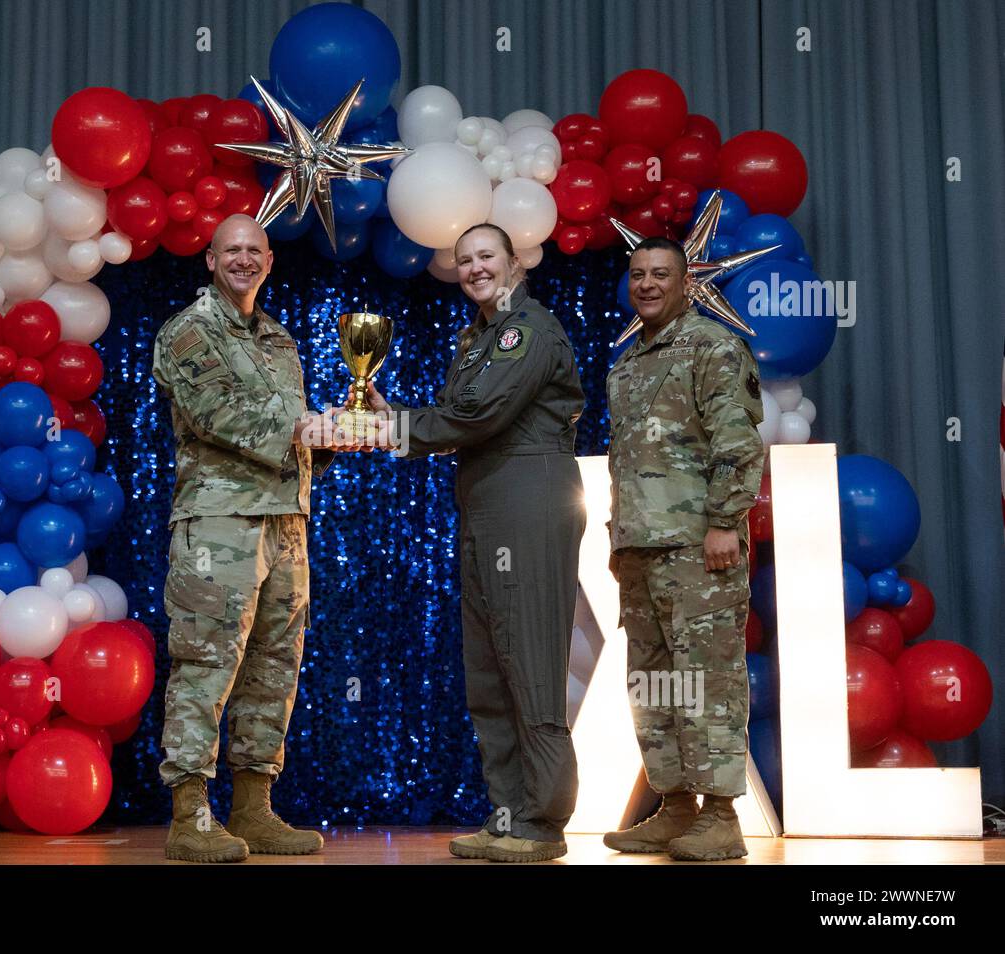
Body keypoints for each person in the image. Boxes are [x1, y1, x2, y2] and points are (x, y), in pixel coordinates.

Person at [357, 223, 586, 862]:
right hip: (486, 502)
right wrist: (392, 417)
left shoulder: (525, 331)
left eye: (487, 256)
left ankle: (543, 823)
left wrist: (392, 428)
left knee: (531, 663)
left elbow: (476, 416)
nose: (475, 268)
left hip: (528, 497)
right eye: (464, 260)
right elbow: (464, 416)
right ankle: (509, 815)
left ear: (514, 262)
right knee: (491, 671)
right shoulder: (480, 337)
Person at [151, 213, 351, 863]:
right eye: (230, 249)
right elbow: (220, 416)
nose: (243, 258)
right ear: (210, 260)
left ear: (270, 262)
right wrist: (310, 430)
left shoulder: (280, 340)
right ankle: (190, 814)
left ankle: (253, 808)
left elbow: (295, 442)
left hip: (285, 524)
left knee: (274, 669)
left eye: (253, 250)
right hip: (218, 523)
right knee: (206, 663)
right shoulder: (188, 331)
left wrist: (339, 436)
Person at [602, 235, 765, 862]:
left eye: (660, 273)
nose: (646, 284)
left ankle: (721, 816)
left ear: (685, 281)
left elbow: (739, 445)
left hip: (700, 550)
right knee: (657, 683)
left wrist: (725, 521)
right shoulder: (629, 362)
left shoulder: (714, 348)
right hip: (641, 551)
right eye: (638, 273)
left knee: (705, 679)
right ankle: (674, 807)